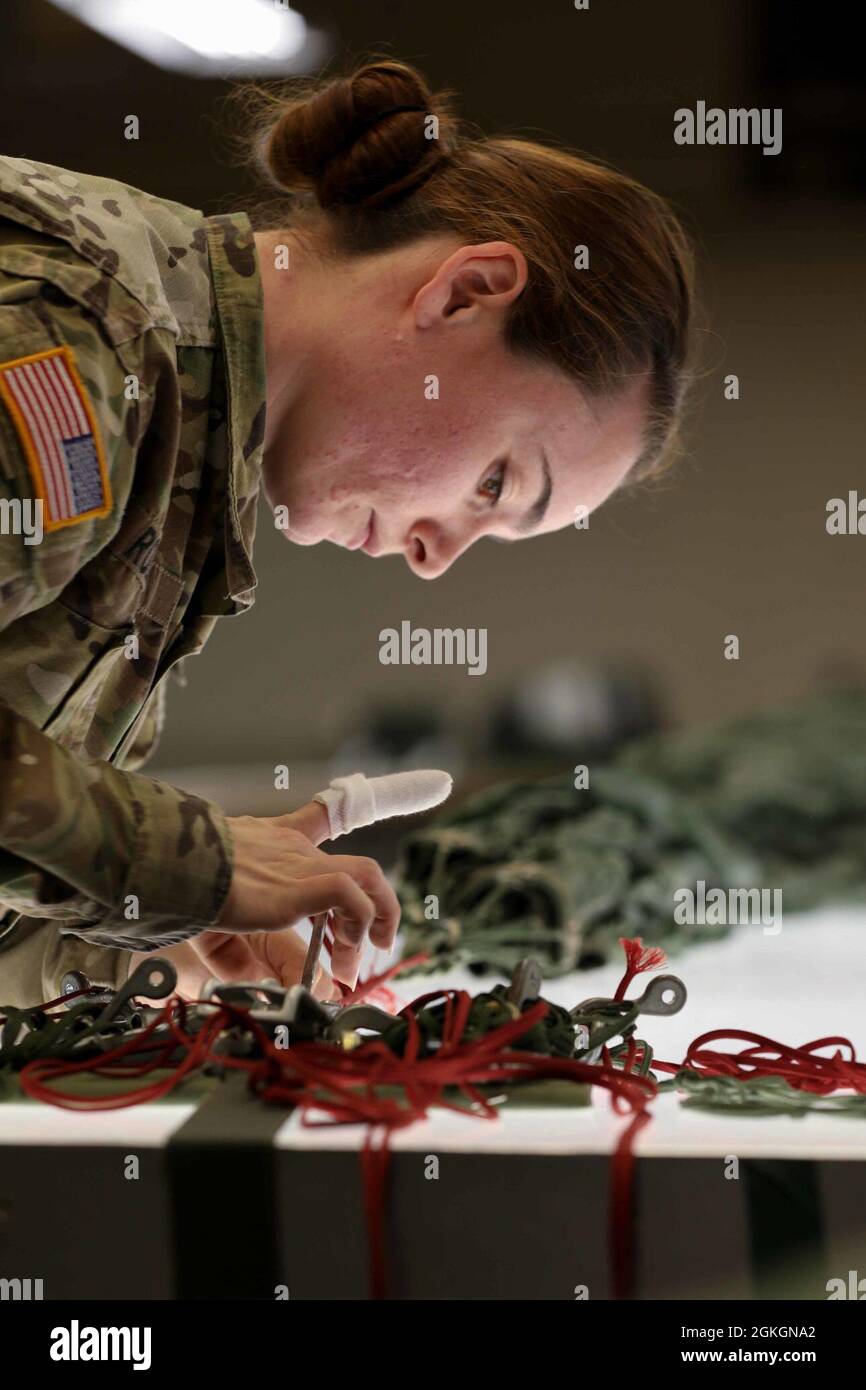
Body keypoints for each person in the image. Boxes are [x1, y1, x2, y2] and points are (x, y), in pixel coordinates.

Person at [0, 58, 695, 1008]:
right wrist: (182, 860)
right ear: (464, 294)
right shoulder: (86, 342)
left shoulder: (181, 461)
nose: (435, 555)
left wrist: (162, 950)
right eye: (495, 483)